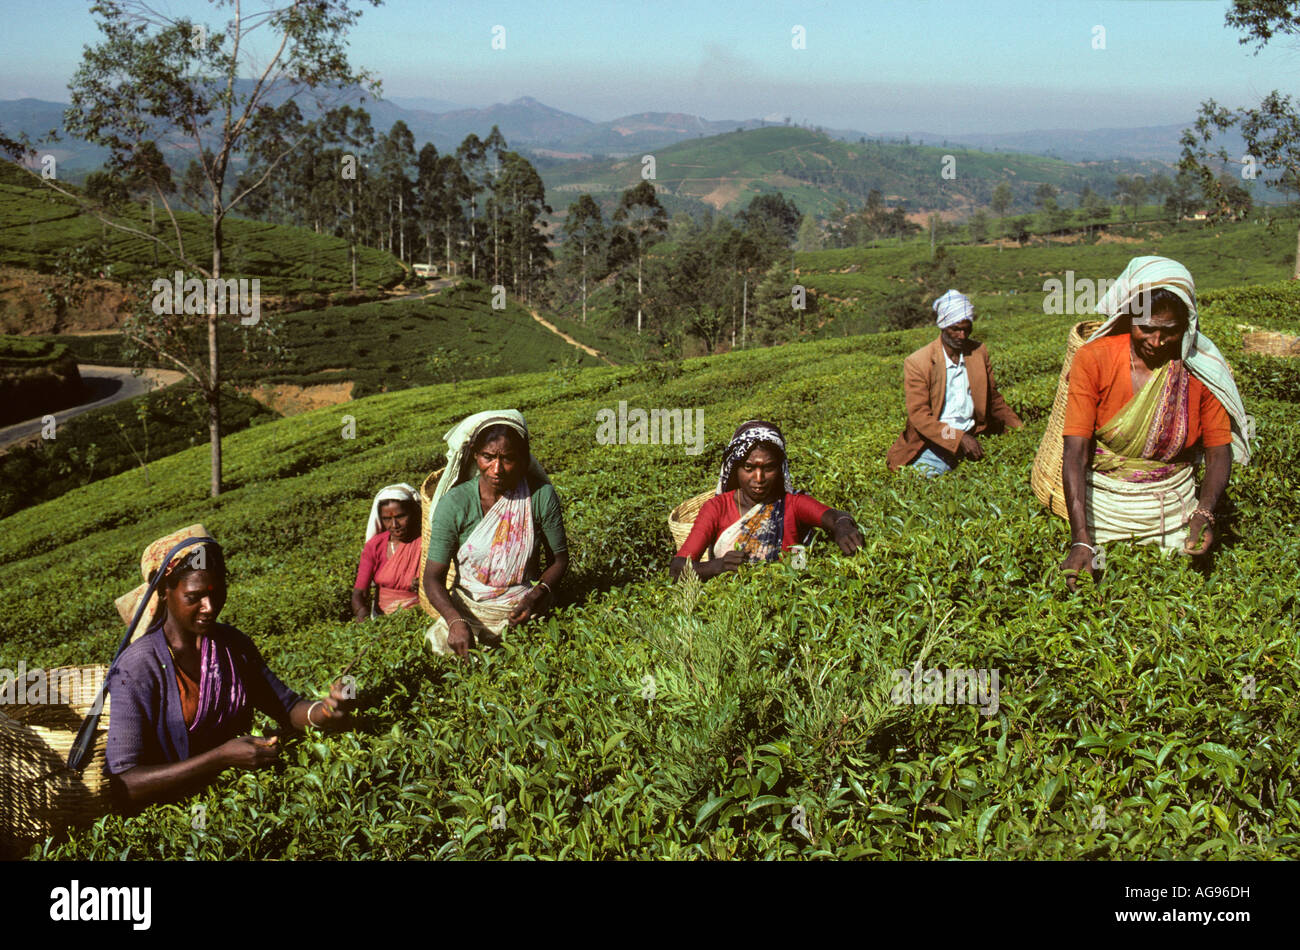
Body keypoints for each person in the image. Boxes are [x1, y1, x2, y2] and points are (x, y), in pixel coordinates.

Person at [106, 525, 353, 808]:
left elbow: (287, 707)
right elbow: (123, 782)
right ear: (164, 592)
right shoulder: (137, 667)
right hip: (171, 811)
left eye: (216, 592)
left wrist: (324, 711)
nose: (210, 606)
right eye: (194, 596)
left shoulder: (232, 645)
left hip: (238, 799)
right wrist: (220, 758)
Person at [1058, 257, 1252, 590]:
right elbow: (1075, 451)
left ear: (1186, 326)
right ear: (1130, 316)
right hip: (1102, 510)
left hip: (1174, 513)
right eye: (1146, 327)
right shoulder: (1094, 358)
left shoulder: (1200, 372)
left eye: (1170, 331)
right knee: (1096, 594)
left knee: (1180, 596)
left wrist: (1204, 513)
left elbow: (1219, 452)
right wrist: (1081, 539)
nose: (1156, 341)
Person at [422, 410, 568, 657]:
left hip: (523, 607)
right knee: (436, 649)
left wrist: (535, 596)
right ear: (475, 455)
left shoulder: (540, 496)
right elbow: (432, 578)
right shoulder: (455, 504)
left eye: (508, 458)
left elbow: (560, 560)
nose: (497, 469)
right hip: (467, 611)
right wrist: (455, 621)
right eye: (488, 457)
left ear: (524, 459)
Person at [669, 420, 863, 582]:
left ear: (780, 470)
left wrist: (843, 527)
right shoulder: (717, 508)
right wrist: (717, 566)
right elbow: (677, 568)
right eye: (749, 467)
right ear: (736, 468)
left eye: (769, 468)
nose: (759, 478)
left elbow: (834, 516)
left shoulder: (791, 503)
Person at [886, 289, 1023, 476]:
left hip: (973, 434)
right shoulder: (918, 362)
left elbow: (994, 399)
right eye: (956, 329)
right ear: (943, 326)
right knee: (922, 482)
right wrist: (958, 438)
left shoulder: (978, 352)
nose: (962, 335)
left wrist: (1019, 430)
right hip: (934, 441)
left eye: (967, 329)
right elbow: (920, 418)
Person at [352, 483, 423, 621]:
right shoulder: (375, 546)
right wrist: (362, 613)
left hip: (420, 616)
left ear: (413, 514)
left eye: (401, 516)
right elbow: (359, 592)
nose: (394, 525)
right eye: (387, 519)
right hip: (382, 618)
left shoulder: (425, 542)